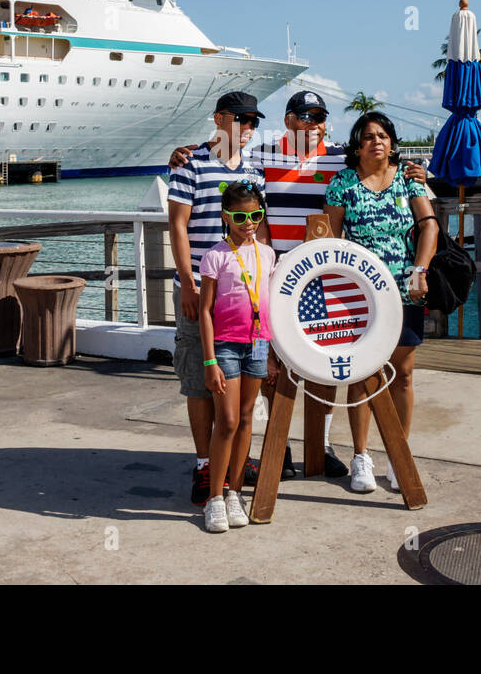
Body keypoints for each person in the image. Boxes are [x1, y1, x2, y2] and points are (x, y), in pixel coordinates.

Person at [170, 91, 428, 478]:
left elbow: (380, 163)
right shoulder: (261, 158)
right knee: (275, 368)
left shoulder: (341, 157)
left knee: (323, 364)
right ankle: (279, 445)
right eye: (305, 116)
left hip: (324, 281)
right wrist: (183, 152)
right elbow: (222, 160)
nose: (314, 123)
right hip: (272, 280)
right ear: (288, 120)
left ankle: (320, 445)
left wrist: (416, 171)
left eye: (320, 116)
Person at [324, 111, 438, 493]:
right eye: (369, 136)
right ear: (357, 145)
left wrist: (420, 270)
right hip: (359, 296)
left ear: (392, 143)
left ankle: (398, 452)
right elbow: (333, 240)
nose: (377, 142)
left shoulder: (409, 179)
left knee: (402, 375)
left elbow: (430, 226)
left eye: (384, 136)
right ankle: (361, 457)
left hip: (405, 290)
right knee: (362, 375)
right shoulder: (342, 183)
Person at [168, 91, 268, 507]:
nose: (245, 128)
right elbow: (177, 224)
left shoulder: (256, 171)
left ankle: (234, 463)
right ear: (218, 119)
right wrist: (188, 284)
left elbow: (258, 231)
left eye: (252, 122)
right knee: (199, 378)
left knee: (239, 384)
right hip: (200, 288)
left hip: (243, 295)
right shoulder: (190, 163)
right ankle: (205, 463)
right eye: (239, 119)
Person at [198, 181, 276, 532]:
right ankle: (215, 498)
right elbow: (204, 311)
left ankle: (235, 493)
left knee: (246, 419)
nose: (249, 222)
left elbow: (271, 304)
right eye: (240, 216)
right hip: (226, 346)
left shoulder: (268, 254)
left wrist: (272, 352)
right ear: (225, 217)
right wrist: (210, 360)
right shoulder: (215, 255)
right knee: (226, 421)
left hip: (258, 344)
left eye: (255, 215)